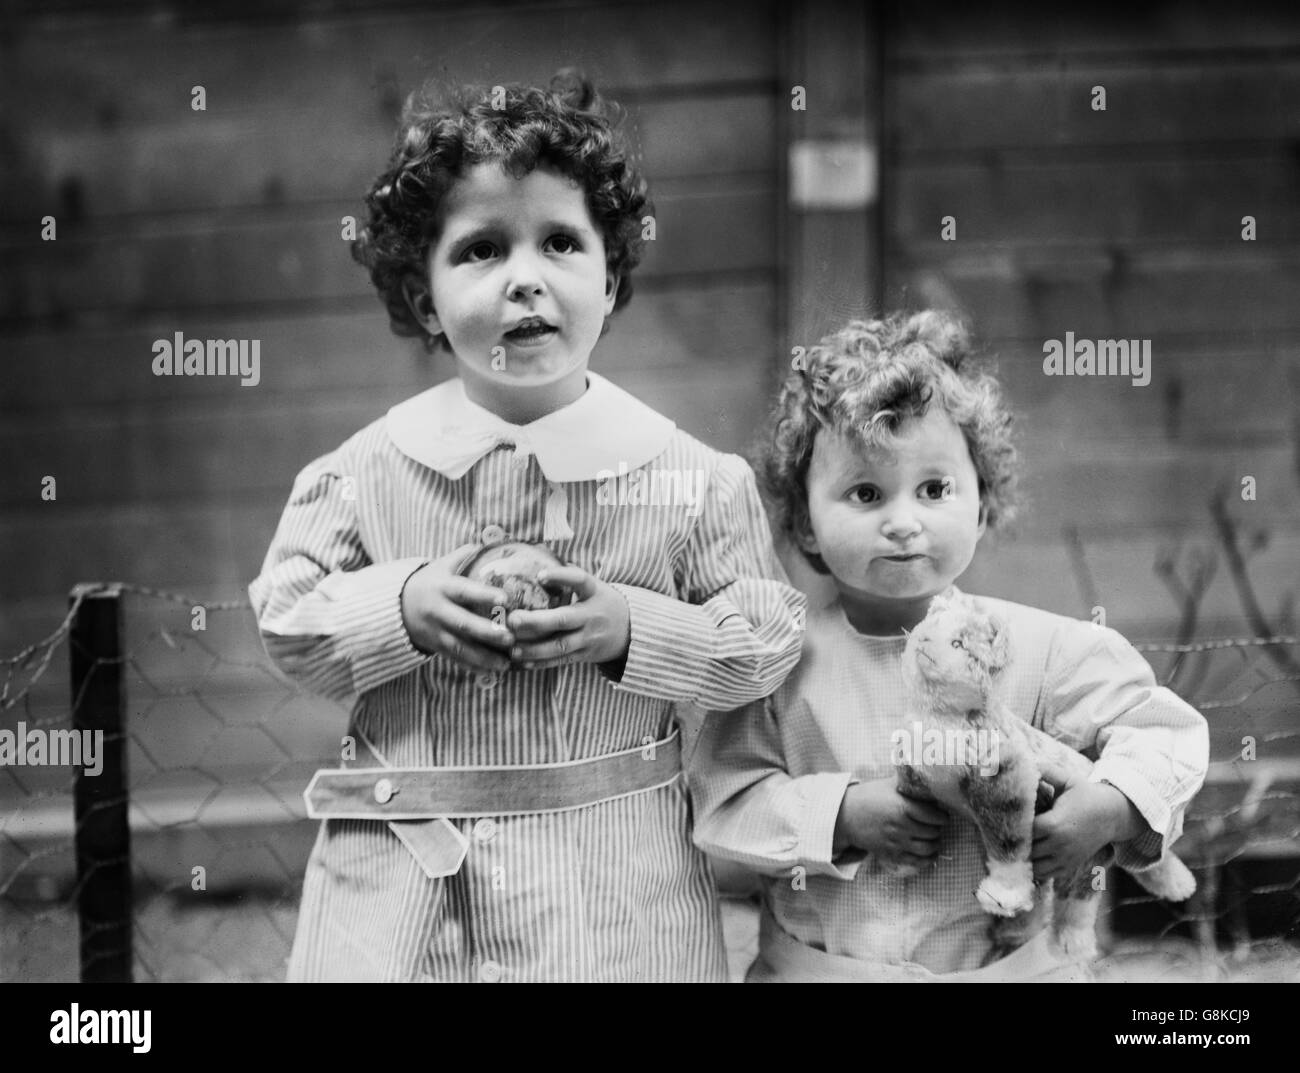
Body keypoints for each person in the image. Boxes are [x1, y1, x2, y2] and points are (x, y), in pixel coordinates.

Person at [248, 70, 805, 982]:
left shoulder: (690, 480)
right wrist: (402, 605)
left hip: (616, 883)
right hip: (402, 878)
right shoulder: (363, 472)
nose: (525, 280)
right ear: (425, 300)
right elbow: (287, 615)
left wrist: (634, 627)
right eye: (479, 251)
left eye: (559, 242)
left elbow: (764, 637)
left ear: (611, 275)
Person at [688, 310, 1209, 982]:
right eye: (865, 492)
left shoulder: (1046, 648)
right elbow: (726, 797)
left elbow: (1164, 733)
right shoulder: (777, 662)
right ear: (807, 524)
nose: (903, 522)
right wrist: (839, 813)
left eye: (935, 489)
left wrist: (1105, 807)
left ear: (983, 502)